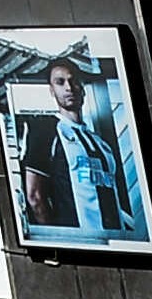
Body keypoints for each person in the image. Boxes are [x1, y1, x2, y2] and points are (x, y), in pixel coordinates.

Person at [27, 52, 143, 245]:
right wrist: (62, 243)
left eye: (73, 81)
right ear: (52, 91)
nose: (69, 87)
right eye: (60, 82)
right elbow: (35, 197)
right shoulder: (46, 132)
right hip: (80, 244)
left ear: (82, 88)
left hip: (117, 242)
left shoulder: (100, 143)